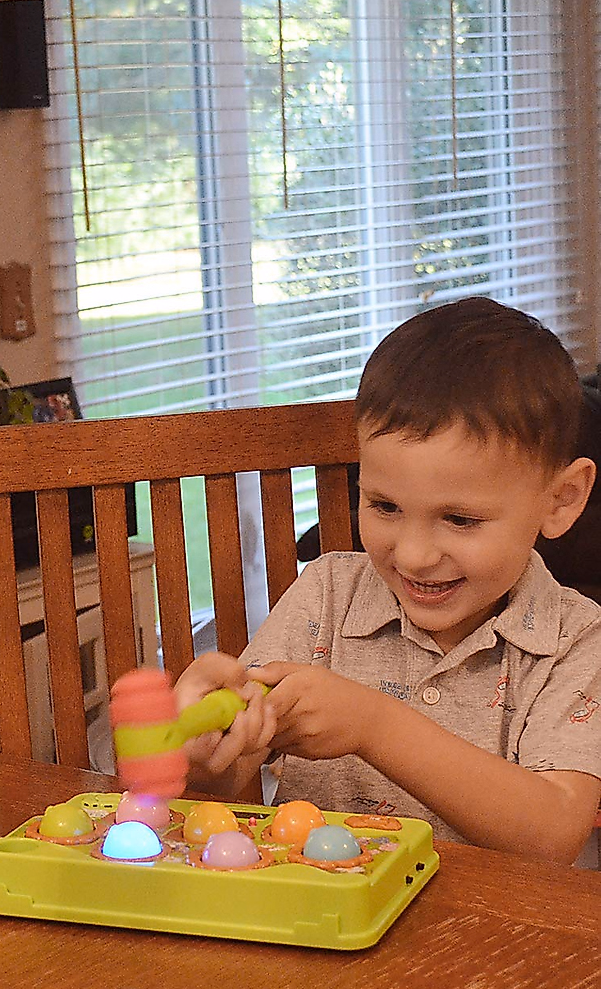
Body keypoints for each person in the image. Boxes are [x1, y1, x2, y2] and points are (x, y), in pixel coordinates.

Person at [176, 297, 601, 865]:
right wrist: (202, 755)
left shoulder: (577, 639)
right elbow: (223, 793)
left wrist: (373, 725)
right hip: (318, 926)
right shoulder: (326, 596)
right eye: (384, 505)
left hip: (488, 943)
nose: (415, 554)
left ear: (561, 499)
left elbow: (554, 836)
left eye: (460, 519)